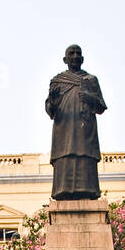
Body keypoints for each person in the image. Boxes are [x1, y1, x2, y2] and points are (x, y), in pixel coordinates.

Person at [45, 44, 107, 200]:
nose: (74, 56)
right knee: (66, 156)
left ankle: (88, 189)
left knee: (84, 156)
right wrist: (53, 100)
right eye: (71, 53)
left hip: (85, 131)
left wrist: (89, 98)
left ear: (82, 59)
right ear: (65, 59)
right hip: (64, 131)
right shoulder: (57, 81)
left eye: (77, 53)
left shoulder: (91, 80)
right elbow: (50, 110)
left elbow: (101, 107)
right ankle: (63, 190)